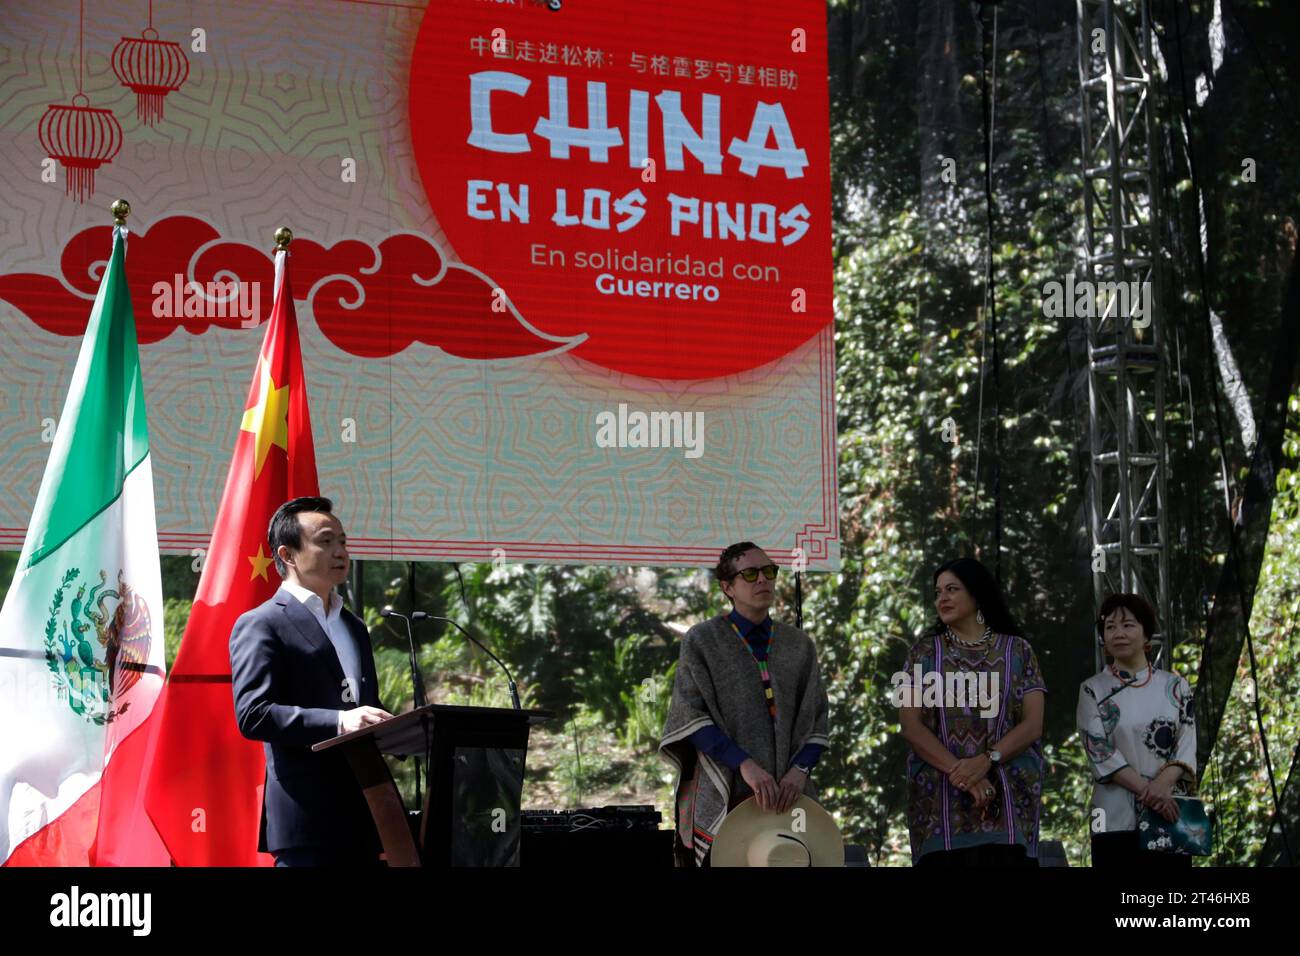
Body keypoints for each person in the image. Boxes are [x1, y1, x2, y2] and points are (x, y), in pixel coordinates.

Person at [230, 496, 393, 867]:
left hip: (366, 818)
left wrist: (406, 731)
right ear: (288, 555)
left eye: (343, 541)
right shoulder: (263, 623)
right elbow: (253, 714)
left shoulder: (353, 625)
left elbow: (363, 705)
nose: (340, 551)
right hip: (306, 821)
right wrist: (339, 722)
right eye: (325, 541)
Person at [659, 542, 830, 866]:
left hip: (788, 798)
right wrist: (744, 764)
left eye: (769, 571)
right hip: (728, 792)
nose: (762, 580)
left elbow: (817, 718)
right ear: (728, 587)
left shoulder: (799, 645)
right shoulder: (702, 640)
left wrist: (800, 770)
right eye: (750, 573)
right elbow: (689, 715)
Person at [899, 557, 1046, 866]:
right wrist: (963, 773)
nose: (942, 598)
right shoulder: (922, 653)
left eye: (952, 589)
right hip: (939, 808)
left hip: (1008, 804)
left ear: (977, 593)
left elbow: (1032, 725)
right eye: (938, 592)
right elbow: (911, 728)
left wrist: (986, 760)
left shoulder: (1018, 650)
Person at [1077, 593, 1196, 868]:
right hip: (1114, 819)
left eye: (1128, 625)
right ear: (1103, 639)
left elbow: (1187, 744)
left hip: (1171, 814)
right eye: (1110, 627)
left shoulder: (1177, 687)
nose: (1118, 633)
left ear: (1147, 636)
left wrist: (1163, 787)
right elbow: (1099, 750)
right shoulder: (1092, 689)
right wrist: (1151, 793)